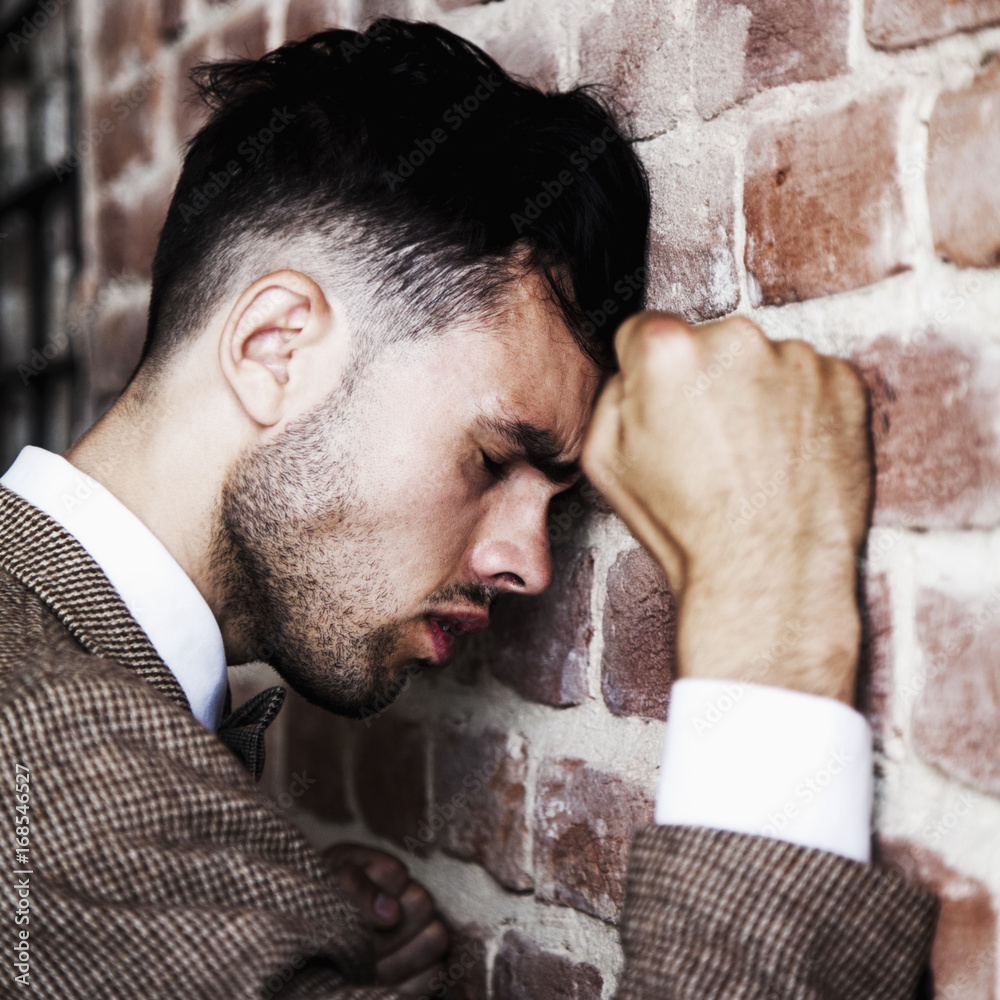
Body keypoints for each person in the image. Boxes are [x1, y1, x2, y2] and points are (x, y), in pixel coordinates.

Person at [0, 18, 937, 999]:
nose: (528, 564)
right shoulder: (68, 768)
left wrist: (261, 935)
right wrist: (770, 622)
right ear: (276, 348)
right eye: (491, 458)